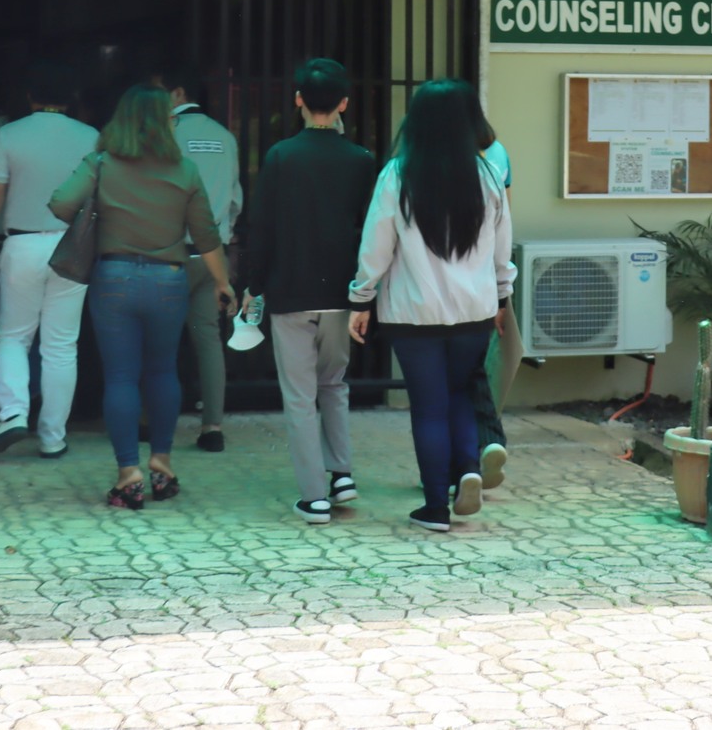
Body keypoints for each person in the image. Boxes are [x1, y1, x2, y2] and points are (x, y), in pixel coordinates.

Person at [51, 84, 235, 510]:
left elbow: (61, 204)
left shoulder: (101, 163)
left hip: (113, 278)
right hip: (169, 280)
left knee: (120, 376)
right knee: (162, 372)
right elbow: (207, 235)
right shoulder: (185, 170)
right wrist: (223, 282)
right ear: (161, 124)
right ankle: (163, 466)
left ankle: (127, 474)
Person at [349, 79, 515, 533]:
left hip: (413, 314)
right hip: (475, 312)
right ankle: (467, 471)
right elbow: (504, 250)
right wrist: (502, 296)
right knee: (461, 392)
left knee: (428, 407)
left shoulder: (397, 175)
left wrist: (360, 298)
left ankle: (435, 508)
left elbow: (375, 249)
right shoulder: (486, 175)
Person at [251, 58, 376, 523]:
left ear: (298, 100)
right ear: (344, 103)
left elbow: (262, 226)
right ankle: (341, 474)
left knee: (300, 395)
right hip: (342, 294)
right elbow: (369, 229)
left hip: (290, 291)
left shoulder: (281, 156)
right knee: (334, 385)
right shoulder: (362, 161)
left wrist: (254, 284)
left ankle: (313, 494)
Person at [0, 60, 100, 459]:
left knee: (12, 336)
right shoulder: (91, 137)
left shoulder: (8, 135)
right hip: (73, 247)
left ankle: (14, 413)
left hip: (21, 245)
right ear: (71, 97)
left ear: (29, 96)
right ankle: (53, 437)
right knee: (61, 345)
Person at [153, 63, 244, 452]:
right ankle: (212, 428)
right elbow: (236, 200)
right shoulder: (225, 137)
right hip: (213, 257)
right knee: (208, 339)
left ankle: (155, 421)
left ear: (176, 94)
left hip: (170, 253)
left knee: (159, 342)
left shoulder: (164, 134)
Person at [465, 125, 521, 491]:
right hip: (487, 282)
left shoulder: (415, 161)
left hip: (432, 294)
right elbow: (506, 224)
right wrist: (502, 294)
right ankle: (489, 441)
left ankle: (465, 461)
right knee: (479, 371)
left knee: (451, 385)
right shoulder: (497, 155)